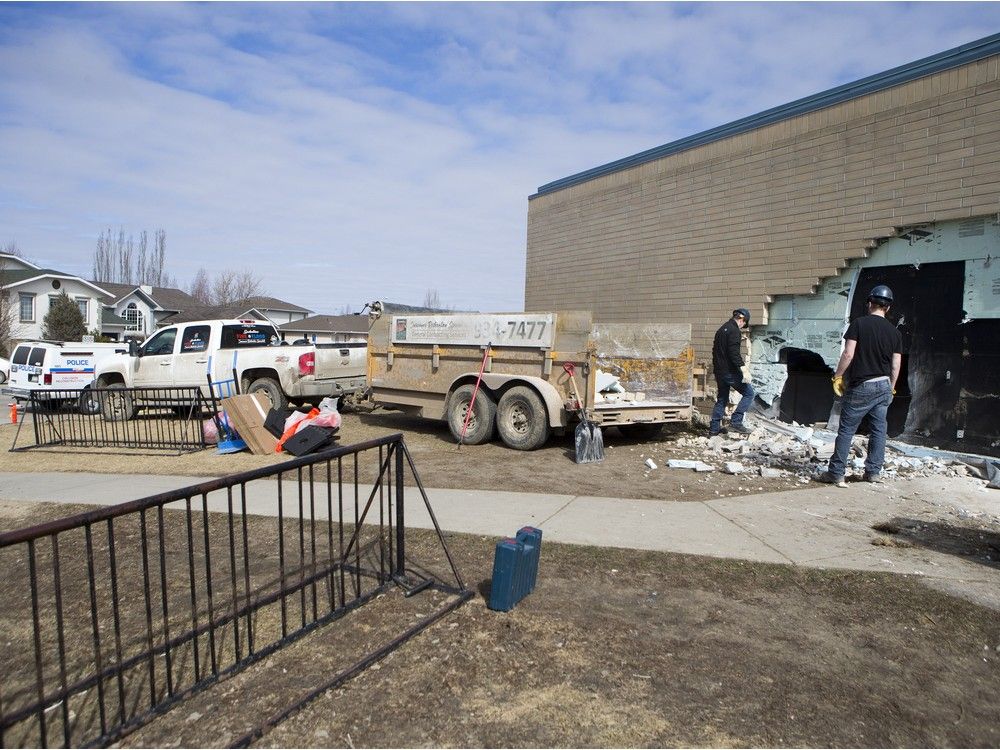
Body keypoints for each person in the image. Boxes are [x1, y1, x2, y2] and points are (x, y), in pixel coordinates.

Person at [818, 284, 903, 487]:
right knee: (878, 431)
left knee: (847, 430)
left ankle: (836, 473)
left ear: (869, 303)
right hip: (883, 385)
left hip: (862, 385)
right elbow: (896, 364)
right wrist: (891, 386)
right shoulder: (895, 333)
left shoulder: (858, 324)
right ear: (888, 308)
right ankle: (873, 473)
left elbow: (848, 354)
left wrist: (837, 376)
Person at [710, 308, 755, 436]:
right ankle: (736, 422)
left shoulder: (721, 329)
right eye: (743, 324)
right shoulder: (734, 331)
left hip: (720, 372)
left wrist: (717, 370)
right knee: (749, 393)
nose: (742, 326)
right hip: (729, 372)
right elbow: (734, 354)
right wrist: (743, 369)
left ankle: (714, 429)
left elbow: (715, 352)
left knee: (722, 399)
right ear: (742, 319)